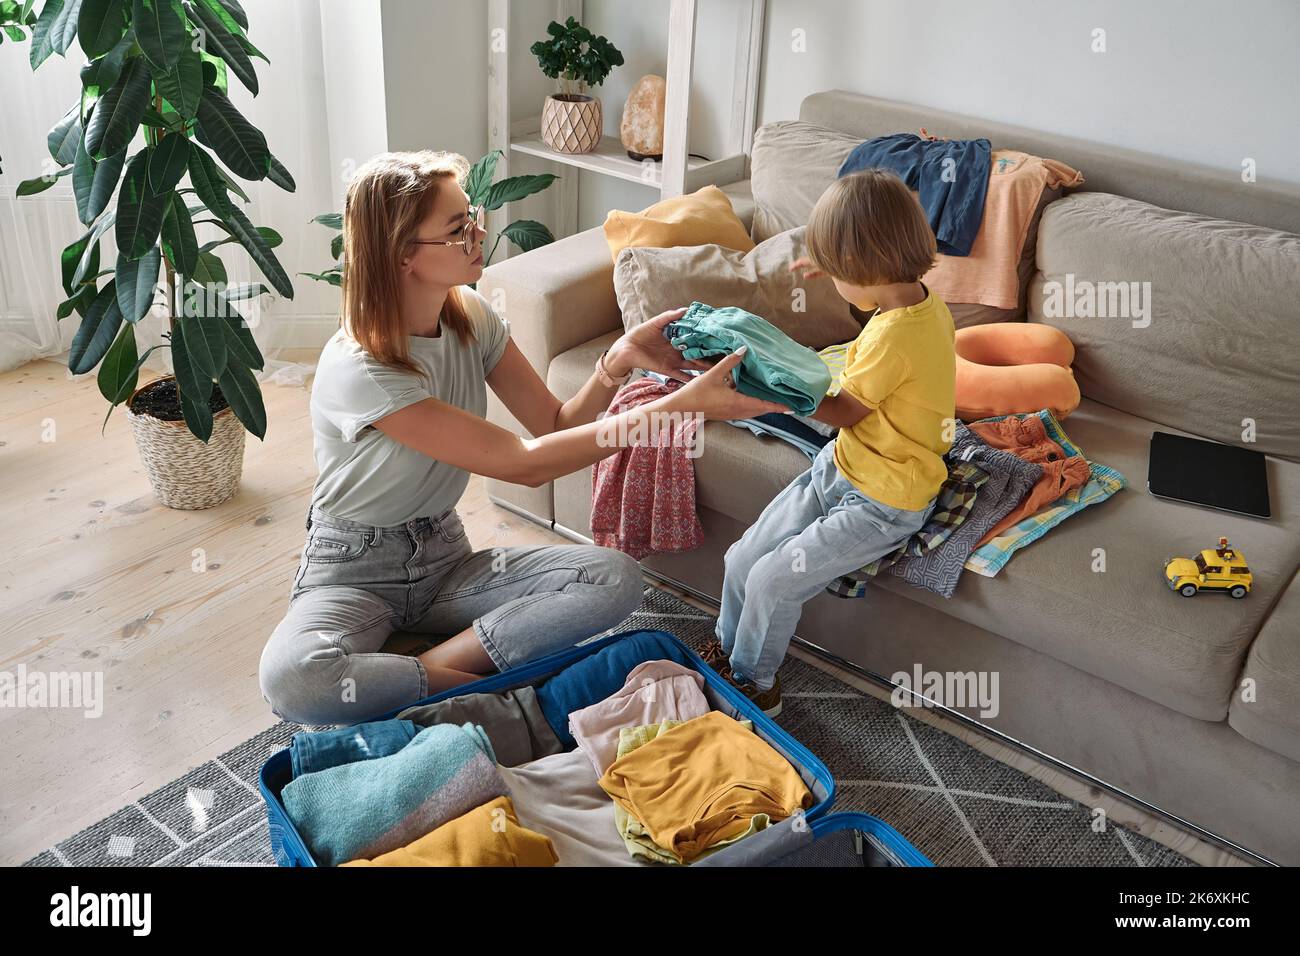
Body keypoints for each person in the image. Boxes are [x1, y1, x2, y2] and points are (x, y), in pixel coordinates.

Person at [258, 150, 784, 726]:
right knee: (294, 678)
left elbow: (554, 427)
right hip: (356, 567)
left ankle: (424, 673)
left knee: (615, 577)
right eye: (458, 229)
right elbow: (524, 464)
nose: (479, 233)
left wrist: (619, 361)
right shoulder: (361, 369)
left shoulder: (471, 315)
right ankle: (502, 696)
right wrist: (675, 407)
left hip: (444, 557)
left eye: (472, 217)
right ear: (403, 254)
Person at [701, 168, 957, 716]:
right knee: (741, 558)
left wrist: (764, 390)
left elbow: (840, 410)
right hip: (841, 468)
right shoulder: (912, 301)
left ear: (865, 268)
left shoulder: (896, 337)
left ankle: (752, 687)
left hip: (886, 500)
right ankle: (722, 658)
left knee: (772, 581)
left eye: (839, 271)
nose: (832, 281)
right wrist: (837, 268)